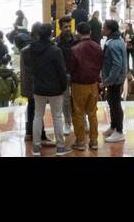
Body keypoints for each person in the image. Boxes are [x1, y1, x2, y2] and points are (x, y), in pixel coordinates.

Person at [26, 23, 70, 156]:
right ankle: (60, 147)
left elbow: (31, 68)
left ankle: (36, 148)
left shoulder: (32, 49)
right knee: (57, 116)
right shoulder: (55, 50)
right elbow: (61, 71)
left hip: (39, 88)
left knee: (38, 116)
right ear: (51, 34)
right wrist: (63, 87)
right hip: (55, 88)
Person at [67, 20, 103, 151]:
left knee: (78, 113)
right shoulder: (98, 47)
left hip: (78, 84)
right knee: (92, 113)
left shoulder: (75, 49)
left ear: (78, 33)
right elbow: (100, 65)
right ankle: (94, 141)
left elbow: (70, 68)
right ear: (90, 32)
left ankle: (80, 141)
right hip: (93, 84)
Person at [100, 19, 127, 143]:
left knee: (115, 105)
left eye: (104, 28)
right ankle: (113, 126)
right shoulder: (117, 40)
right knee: (112, 102)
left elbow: (117, 65)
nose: (102, 29)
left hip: (114, 80)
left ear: (110, 30)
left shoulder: (113, 44)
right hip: (115, 79)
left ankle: (119, 131)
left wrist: (107, 81)